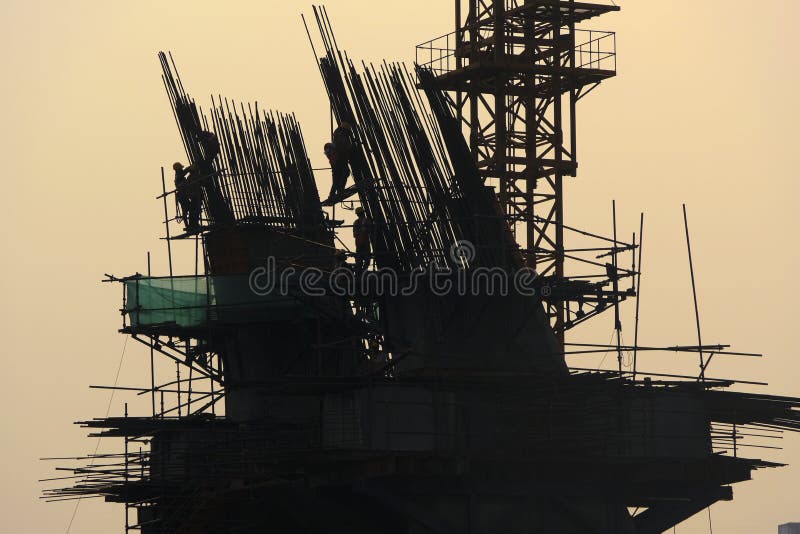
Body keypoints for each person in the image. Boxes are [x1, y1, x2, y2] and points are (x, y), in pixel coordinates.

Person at [324, 122, 354, 203]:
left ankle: (334, 193)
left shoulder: (338, 134)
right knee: (343, 174)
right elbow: (342, 147)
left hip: (337, 161)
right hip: (340, 160)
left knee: (337, 178)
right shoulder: (341, 135)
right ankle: (339, 191)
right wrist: (349, 148)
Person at [173, 162, 201, 231]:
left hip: (184, 196)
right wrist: (189, 168)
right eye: (181, 168)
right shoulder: (178, 176)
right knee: (186, 211)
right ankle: (188, 226)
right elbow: (184, 173)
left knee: (190, 209)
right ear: (178, 169)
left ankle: (191, 225)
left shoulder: (180, 176)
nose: (182, 169)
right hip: (182, 196)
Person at [353, 206, 372, 273]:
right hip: (362, 243)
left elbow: (368, 230)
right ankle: (361, 273)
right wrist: (363, 230)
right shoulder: (359, 222)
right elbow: (355, 234)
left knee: (364, 261)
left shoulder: (364, 221)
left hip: (361, 243)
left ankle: (361, 273)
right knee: (362, 261)